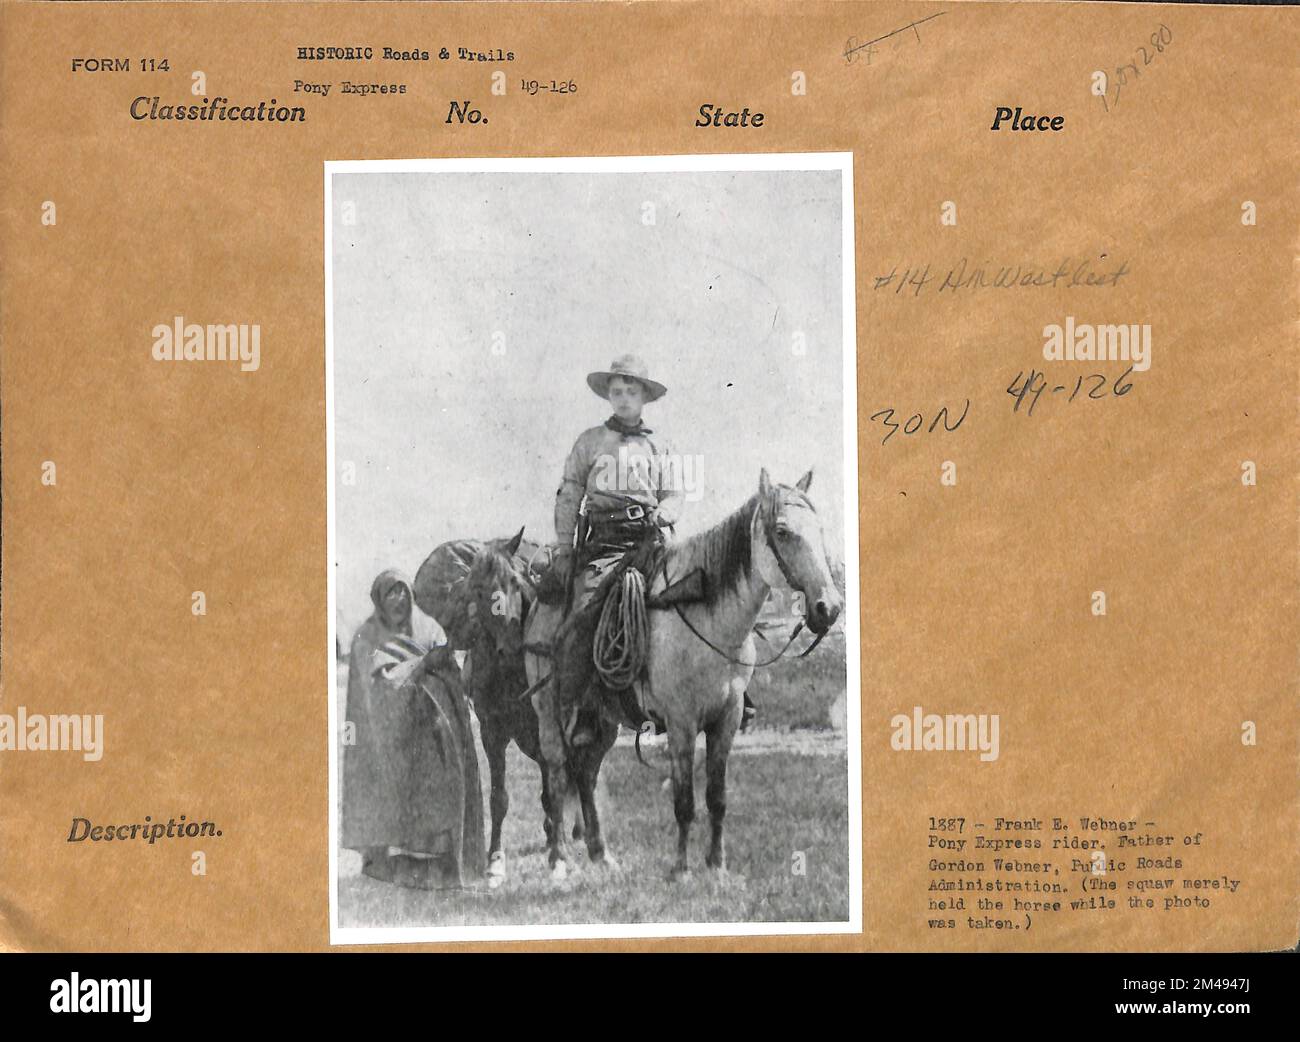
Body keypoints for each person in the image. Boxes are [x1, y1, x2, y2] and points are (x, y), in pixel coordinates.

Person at [552, 354, 684, 746]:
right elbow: (568, 496)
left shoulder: (660, 445)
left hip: (651, 539)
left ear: (644, 396)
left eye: (631, 391)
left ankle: (724, 694)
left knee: (692, 597)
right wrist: (563, 549)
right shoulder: (590, 442)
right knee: (585, 611)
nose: (624, 398)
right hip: (605, 542)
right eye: (617, 391)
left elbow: (675, 493)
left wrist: (664, 512)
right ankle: (585, 710)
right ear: (608, 396)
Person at [341, 569, 486, 888]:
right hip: (390, 738)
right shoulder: (367, 636)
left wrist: (439, 665)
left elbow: (451, 668)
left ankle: (441, 859)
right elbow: (377, 688)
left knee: (438, 791)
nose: (399, 599)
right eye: (391, 593)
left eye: (403, 591)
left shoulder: (429, 627)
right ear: (379, 599)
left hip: (432, 735)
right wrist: (418, 669)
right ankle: (393, 857)